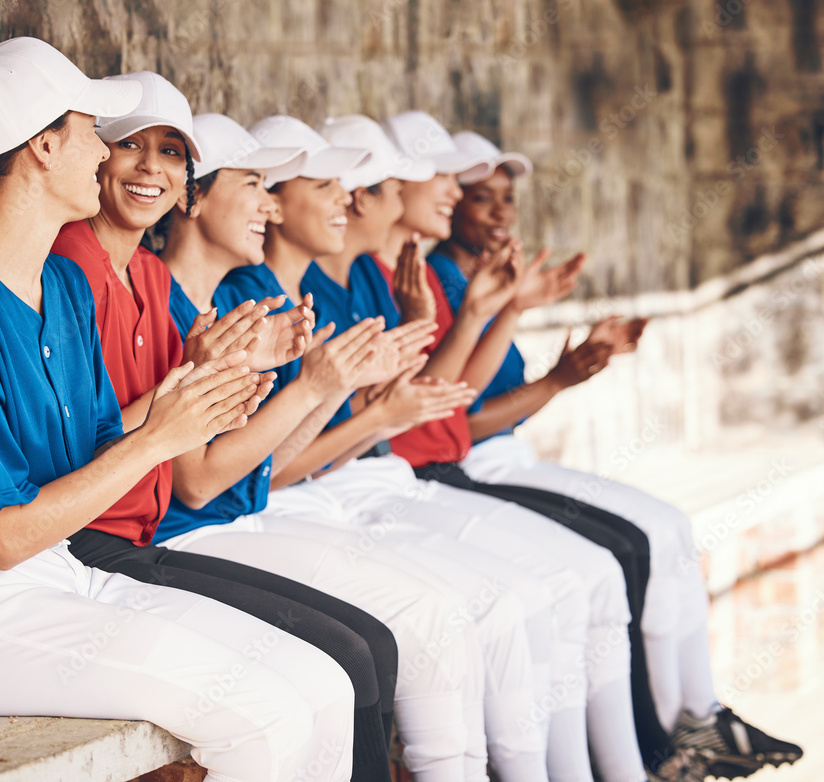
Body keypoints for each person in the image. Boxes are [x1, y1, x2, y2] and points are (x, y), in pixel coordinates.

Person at [0, 37, 356, 782]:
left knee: (318, 680)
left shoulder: (57, 292)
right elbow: (0, 537)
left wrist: (198, 385)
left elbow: (102, 437)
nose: (104, 149)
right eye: (93, 130)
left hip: (53, 576)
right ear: (41, 146)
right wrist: (161, 438)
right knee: (265, 713)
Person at [49, 70, 400, 782]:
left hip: (141, 536)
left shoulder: (146, 277)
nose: (150, 167)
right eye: (127, 146)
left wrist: (273, 381)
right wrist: (294, 388)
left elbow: (219, 454)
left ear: (186, 183)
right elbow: (184, 477)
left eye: (172, 153)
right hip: (96, 543)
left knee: (363, 652)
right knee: (336, 668)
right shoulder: (67, 273)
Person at [139, 108, 499, 782]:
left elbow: (264, 464)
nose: (269, 205)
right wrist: (328, 390)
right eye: (254, 184)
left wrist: (337, 391)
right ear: (193, 199)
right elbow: (197, 484)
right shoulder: (175, 301)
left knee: (443, 618)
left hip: (241, 517)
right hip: (188, 534)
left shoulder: (209, 302)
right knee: (388, 641)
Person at [433, 128, 805, 781]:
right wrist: (559, 376)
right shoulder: (436, 280)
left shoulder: (487, 278)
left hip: (503, 455)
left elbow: (490, 407)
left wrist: (572, 362)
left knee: (670, 527)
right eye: (479, 198)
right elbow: (453, 426)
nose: (499, 212)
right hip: (463, 472)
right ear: (446, 202)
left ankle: (699, 718)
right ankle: (666, 744)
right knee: (617, 558)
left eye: (507, 199)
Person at [308, 112, 665, 782]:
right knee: (520, 601)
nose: (448, 191)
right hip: (384, 479)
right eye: (436, 177)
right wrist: (509, 332)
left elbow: (435, 408)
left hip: (397, 473)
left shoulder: (384, 275)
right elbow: (429, 425)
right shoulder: (390, 276)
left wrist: (498, 312)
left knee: (605, 564)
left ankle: (640, 760)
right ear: (368, 194)